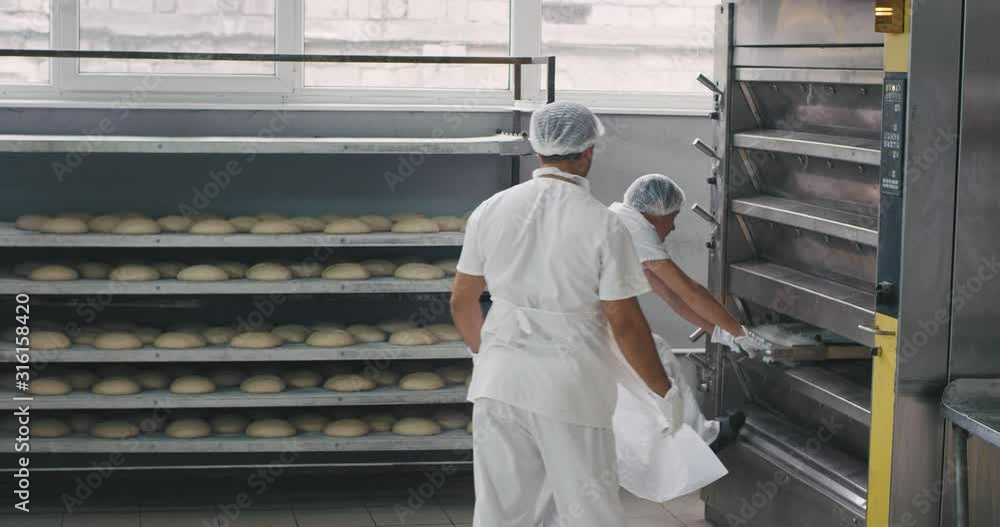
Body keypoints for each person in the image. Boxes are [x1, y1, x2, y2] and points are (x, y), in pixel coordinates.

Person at [450, 102, 676, 527]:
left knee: (503, 513)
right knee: (588, 512)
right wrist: (662, 391)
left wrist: (488, 354)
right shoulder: (603, 225)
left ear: (537, 148)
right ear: (588, 150)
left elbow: (462, 301)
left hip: (499, 383)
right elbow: (625, 323)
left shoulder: (491, 209)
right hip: (569, 389)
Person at [609, 173, 766, 451]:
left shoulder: (625, 223)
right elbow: (688, 289)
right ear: (658, 212)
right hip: (582, 322)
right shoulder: (635, 228)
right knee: (657, 357)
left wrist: (721, 333)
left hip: (585, 322)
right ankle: (701, 438)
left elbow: (672, 297)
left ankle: (692, 437)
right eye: (673, 216)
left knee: (649, 366)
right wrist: (739, 332)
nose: (672, 227)